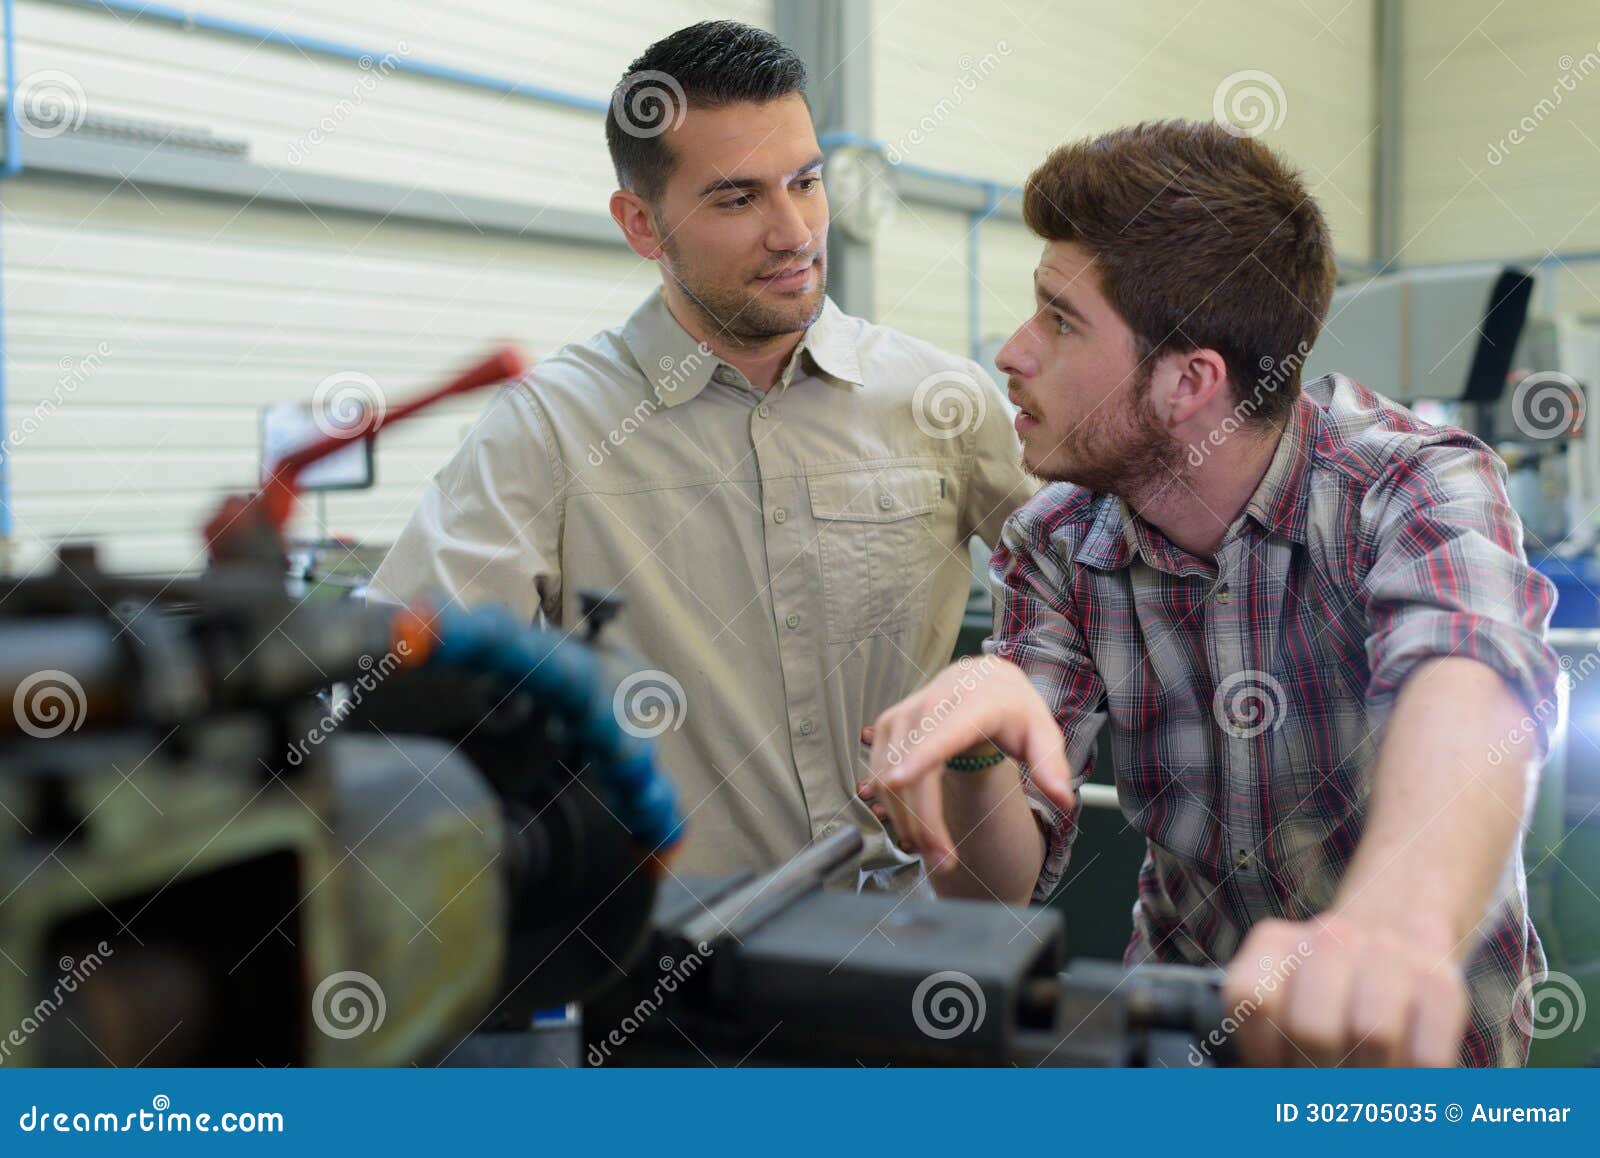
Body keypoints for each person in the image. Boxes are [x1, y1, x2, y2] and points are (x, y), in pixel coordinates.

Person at [860, 120, 1559, 1065]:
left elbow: (1473, 683)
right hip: (1190, 1042)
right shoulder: (1060, 541)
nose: (1013, 353)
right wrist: (980, 755)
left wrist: (1396, 929)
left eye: (1060, 321)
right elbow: (994, 898)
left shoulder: (1408, 486)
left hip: (1425, 1050)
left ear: (1190, 380)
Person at [369, 21, 1034, 891]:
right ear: (642, 224)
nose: (794, 232)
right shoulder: (547, 432)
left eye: (806, 182)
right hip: (669, 980)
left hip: (906, 955)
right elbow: (402, 691)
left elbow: (1090, 587)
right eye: (737, 199)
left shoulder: (941, 402)